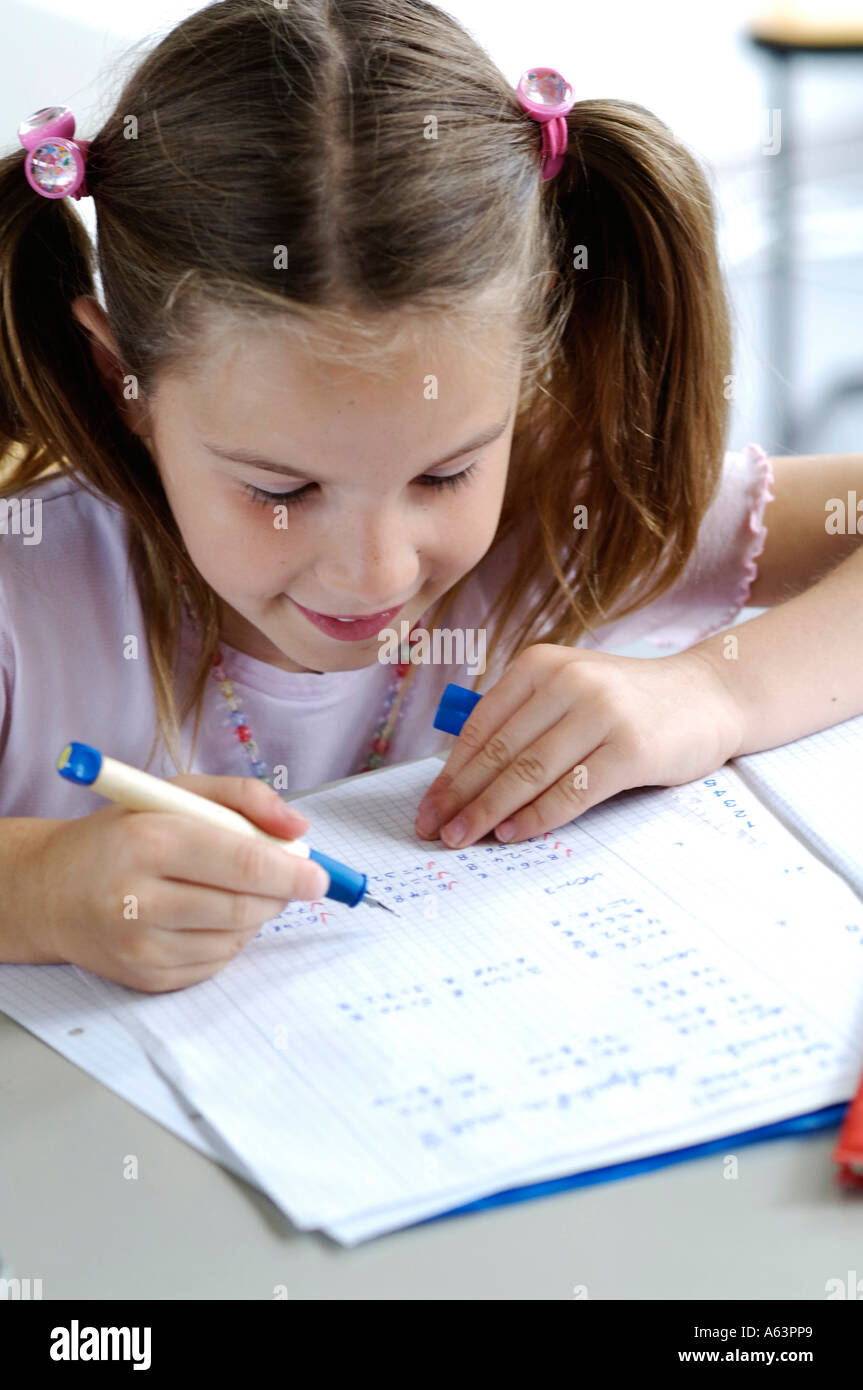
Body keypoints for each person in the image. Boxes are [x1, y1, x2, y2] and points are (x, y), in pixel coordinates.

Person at [1, 0, 860, 993]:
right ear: (125, 384)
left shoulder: (572, 517)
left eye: (444, 473)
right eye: (280, 487)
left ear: (526, 371)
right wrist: (42, 891)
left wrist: (717, 688)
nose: (376, 568)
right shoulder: (30, 599)